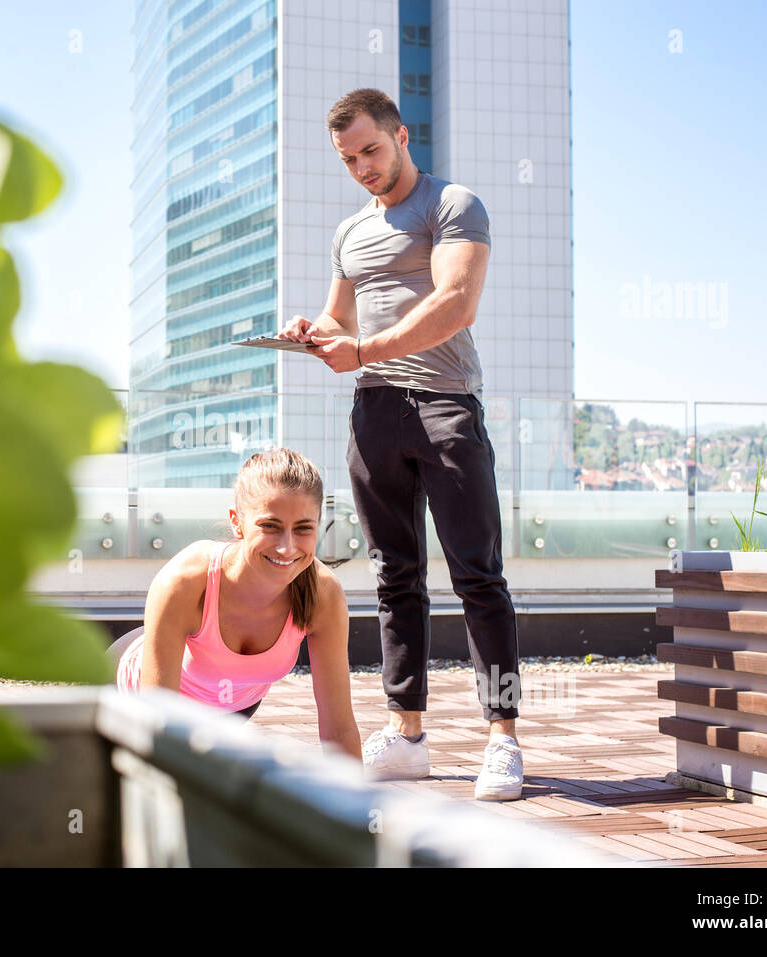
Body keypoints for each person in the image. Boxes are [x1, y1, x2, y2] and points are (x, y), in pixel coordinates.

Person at [278, 88, 524, 800]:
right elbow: (337, 318)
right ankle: (407, 731)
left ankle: (503, 736)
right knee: (393, 576)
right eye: (349, 157)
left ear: (401, 135)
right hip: (374, 412)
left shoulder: (454, 204)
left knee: (478, 574)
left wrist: (364, 350)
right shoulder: (350, 233)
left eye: (371, 150)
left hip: (446, 407)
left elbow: (456, 302)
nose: (361, 166)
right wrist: (313, 331)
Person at [108, 448, 362, 761]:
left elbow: (338, 730)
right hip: (124, 692)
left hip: (229, 709)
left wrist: (356, 809)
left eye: (303, 528)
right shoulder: (186, 581)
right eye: (269, 525)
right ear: (237, 522)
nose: (287, 547)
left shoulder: (323, 593)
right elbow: (156, 723)